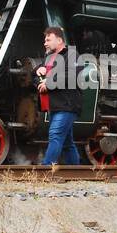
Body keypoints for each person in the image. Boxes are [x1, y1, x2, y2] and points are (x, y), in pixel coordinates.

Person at [36, 26, 82, 166]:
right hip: (54, 105)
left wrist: (49, 83)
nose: (45, 43)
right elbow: (38, 78)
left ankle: (46, 169)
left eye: (48, 40)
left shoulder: (72, 54)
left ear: (59, 40)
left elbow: (72, 75)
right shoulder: (48, 57)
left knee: (55, 134)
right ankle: (76, 172)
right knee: (67, 143)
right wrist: (38, 69)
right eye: (45, 40)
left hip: (68, 104)